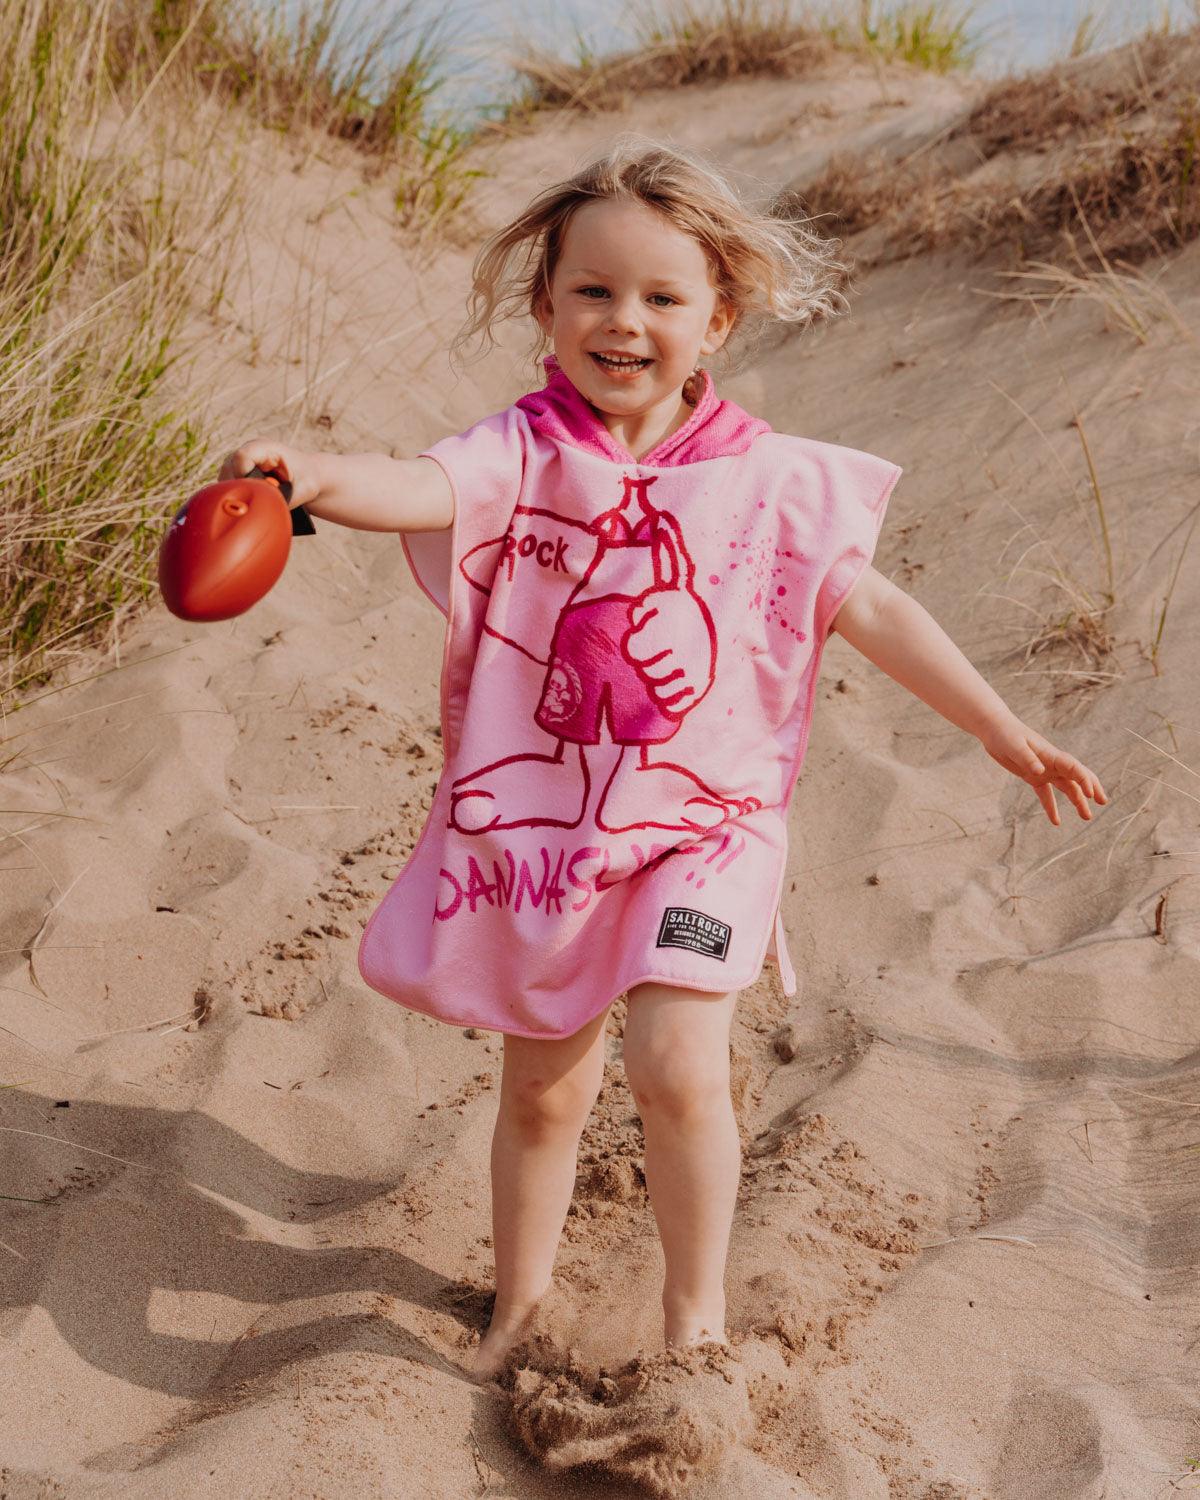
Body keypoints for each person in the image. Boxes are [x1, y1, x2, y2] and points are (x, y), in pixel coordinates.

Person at [218, 136, 1107, 1384]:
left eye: (661, 297)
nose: (623, 320)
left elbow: (878, 608)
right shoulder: (522, 451)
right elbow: (416, 486)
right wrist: (310, 474)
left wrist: (1003, 729)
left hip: (708, 827)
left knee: (679, 1068)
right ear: (545, 304)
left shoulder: (775, 479)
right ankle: (520, 1304)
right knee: (543, 1094)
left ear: (719, 319)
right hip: (556, 839)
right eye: (592, 290)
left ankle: (696, 1318)